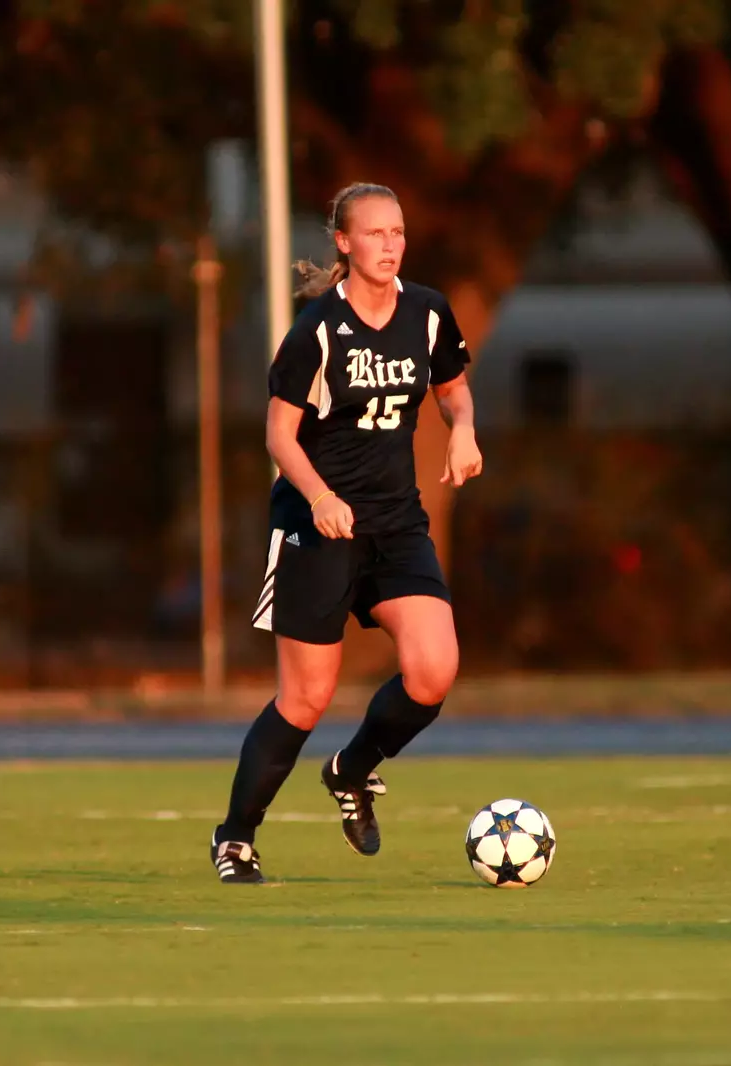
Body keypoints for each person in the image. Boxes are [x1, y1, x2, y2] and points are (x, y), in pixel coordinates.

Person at [209, 182, 483, 884]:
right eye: (375, 233)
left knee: (434, 670)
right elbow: (279, 435)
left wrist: (463, 432)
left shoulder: (426, 312)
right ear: (343, 243)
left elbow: (452, 386)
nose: (390, 245)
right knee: (306, 698)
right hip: (316, 524)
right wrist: (322, 497)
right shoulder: (317, 332)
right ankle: (236, 838)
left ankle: (352, 770)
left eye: (398, 232)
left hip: (395, 522)